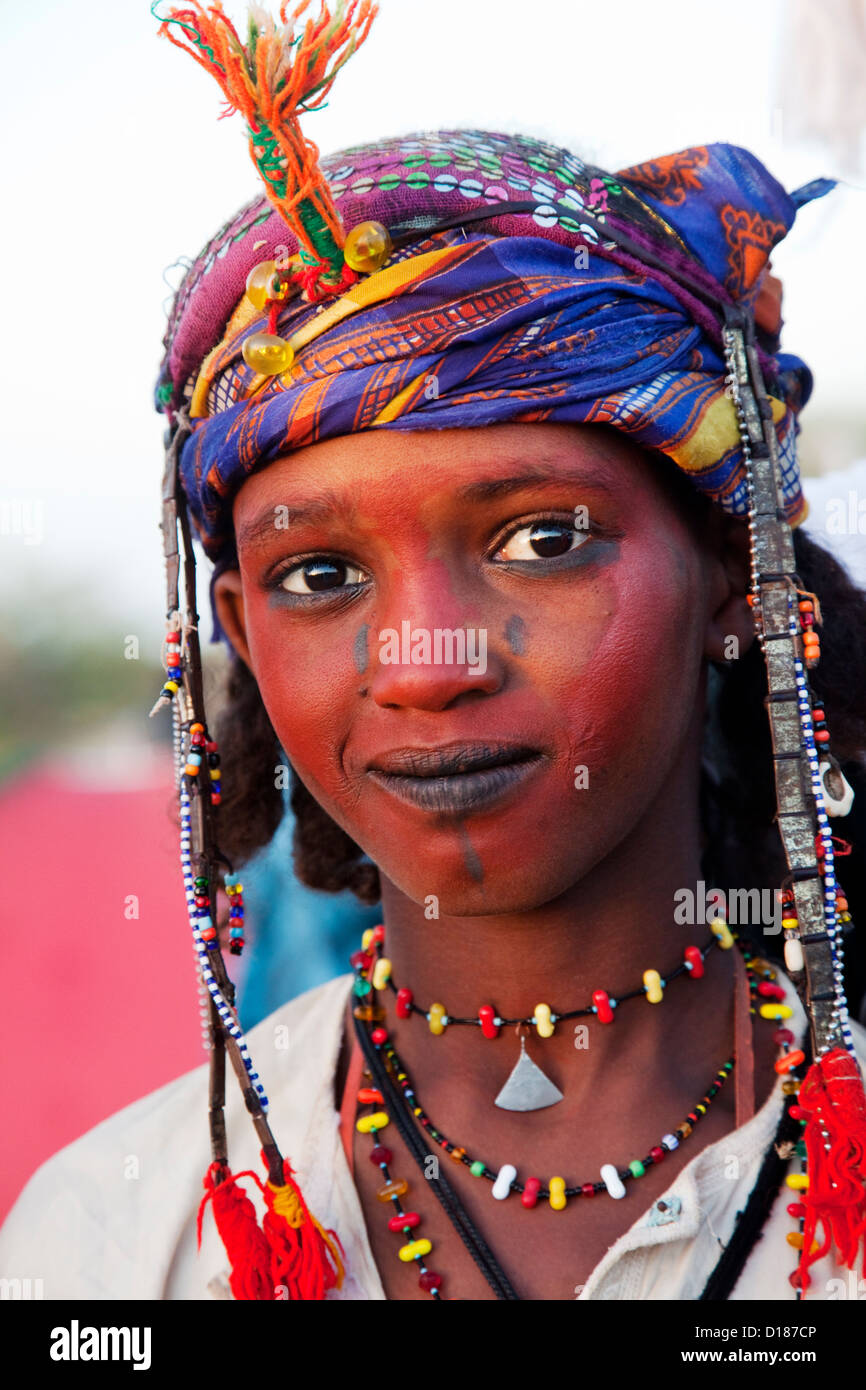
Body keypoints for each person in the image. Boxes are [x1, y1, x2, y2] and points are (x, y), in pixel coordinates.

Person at [2, 0, 866, 1302]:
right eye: (320, 574)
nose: (421, 659)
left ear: (732, 572)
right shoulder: (108, 1247)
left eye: (539, 539)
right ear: (236, 629)